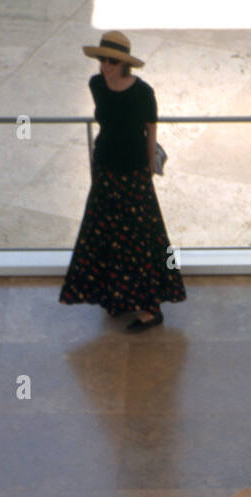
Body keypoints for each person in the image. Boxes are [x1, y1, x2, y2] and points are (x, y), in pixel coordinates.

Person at [60, 31, 186, 331]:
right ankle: (116, 297)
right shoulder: (96, 85)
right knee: (105, 235)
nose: (105, 65)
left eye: (112, 61)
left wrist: (148, 167)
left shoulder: (143, 92)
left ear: (124, 63)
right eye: (103, 59)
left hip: (133, 173)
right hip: (105, 167)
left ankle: (150, 307)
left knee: (141, 239)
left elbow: (151, 130)